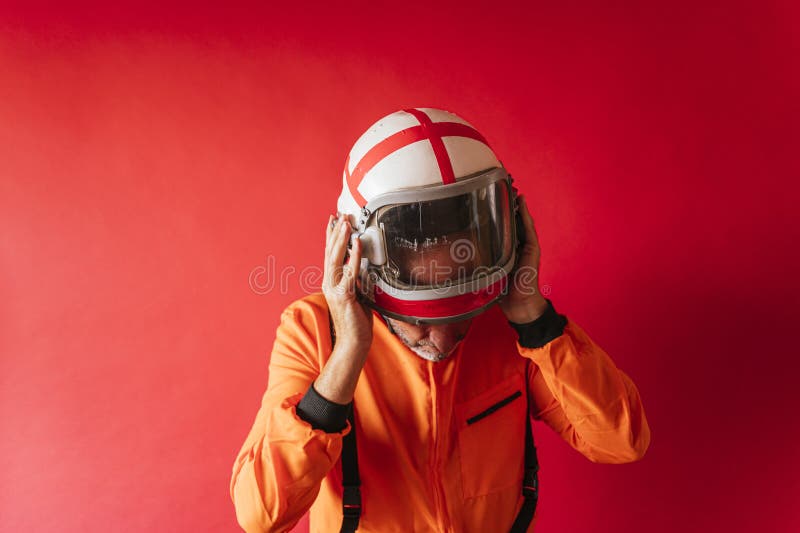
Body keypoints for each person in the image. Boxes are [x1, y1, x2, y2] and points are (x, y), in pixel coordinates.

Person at [230, 108, 650, 533]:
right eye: (421, 320)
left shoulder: (511, 325)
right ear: (356, 258)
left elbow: (621, 442)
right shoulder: (313, 329)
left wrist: (534, 321)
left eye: (460, 313)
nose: (445, 336)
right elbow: (261, 515)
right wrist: (346, 358)